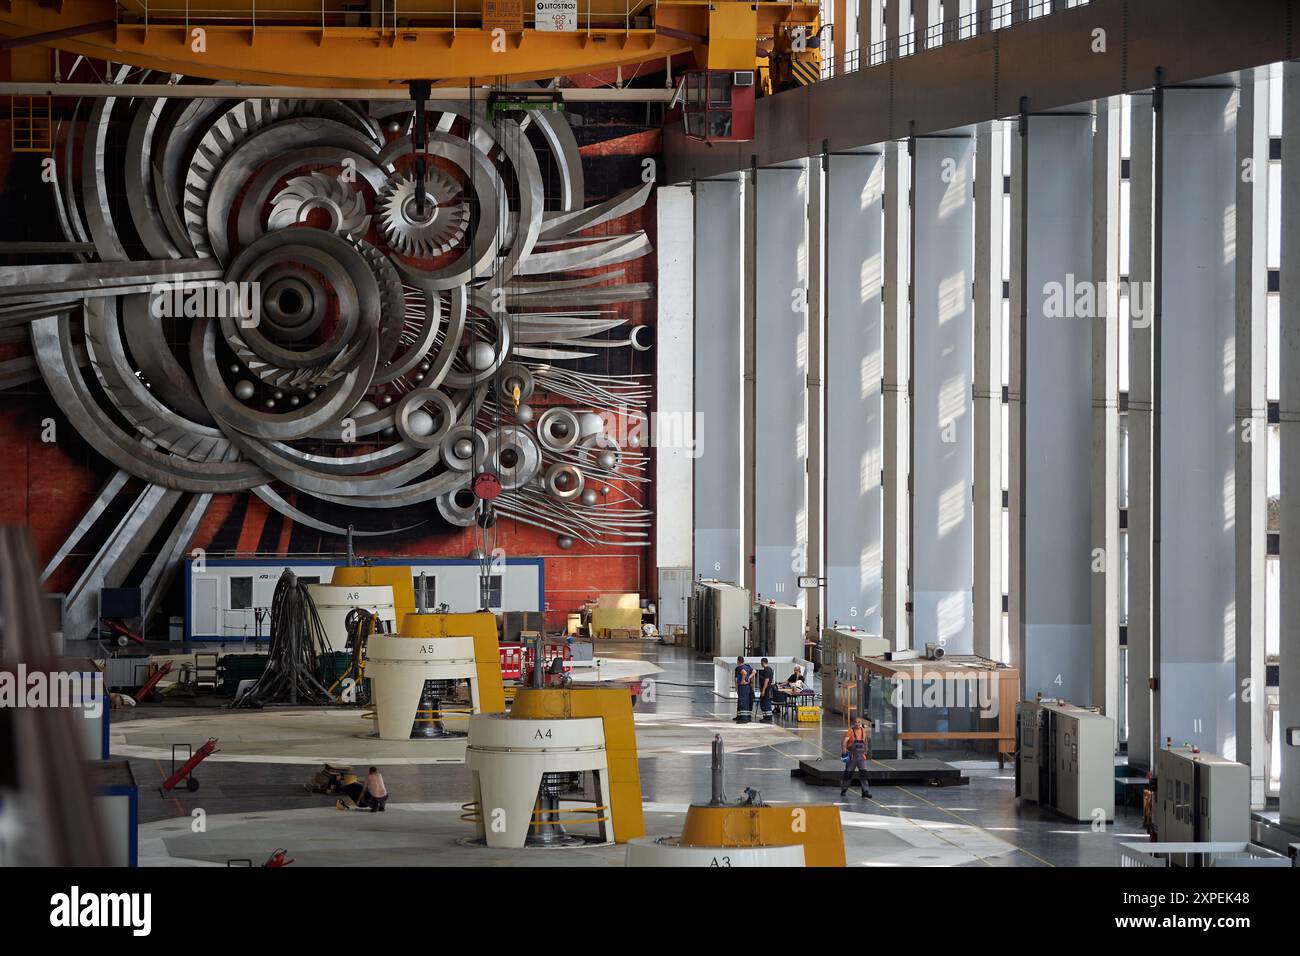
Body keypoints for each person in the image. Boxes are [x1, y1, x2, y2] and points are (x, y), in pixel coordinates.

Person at [840, 718, 873, 799]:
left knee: (863, 774)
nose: (857, 723)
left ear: (861, 723)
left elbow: (865, 741)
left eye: (859, 722)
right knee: (848, 774)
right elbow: (845, 741)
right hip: (852, 756)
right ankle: (844, 790)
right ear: (853, 723)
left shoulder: (863, 731)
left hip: (861, 757)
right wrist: (844, 749)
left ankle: (865, 791)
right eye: (855, 722)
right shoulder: (850, 731)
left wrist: (866, 750)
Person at [734, 656, 754, 723]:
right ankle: (743, 717)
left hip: (742, 687)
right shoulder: (748, 667)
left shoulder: (740, 667)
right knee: (745, 702)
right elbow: (754, 671)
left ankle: (744, 719)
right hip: (747, 687)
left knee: (743, 702)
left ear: (738, 661)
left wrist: (743, 680)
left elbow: (744, 673)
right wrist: (748, 678)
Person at [757, 657, 775, 723]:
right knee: (763, 703)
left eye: (761, 663)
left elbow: (766, 680)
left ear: (763, 662)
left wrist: (763, 690)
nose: (760, 664)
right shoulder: (769, 669)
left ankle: (768, 718)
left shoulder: (767, 670)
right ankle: (765, 717)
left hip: (766, 690)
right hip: (766, 689)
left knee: (765, 703)